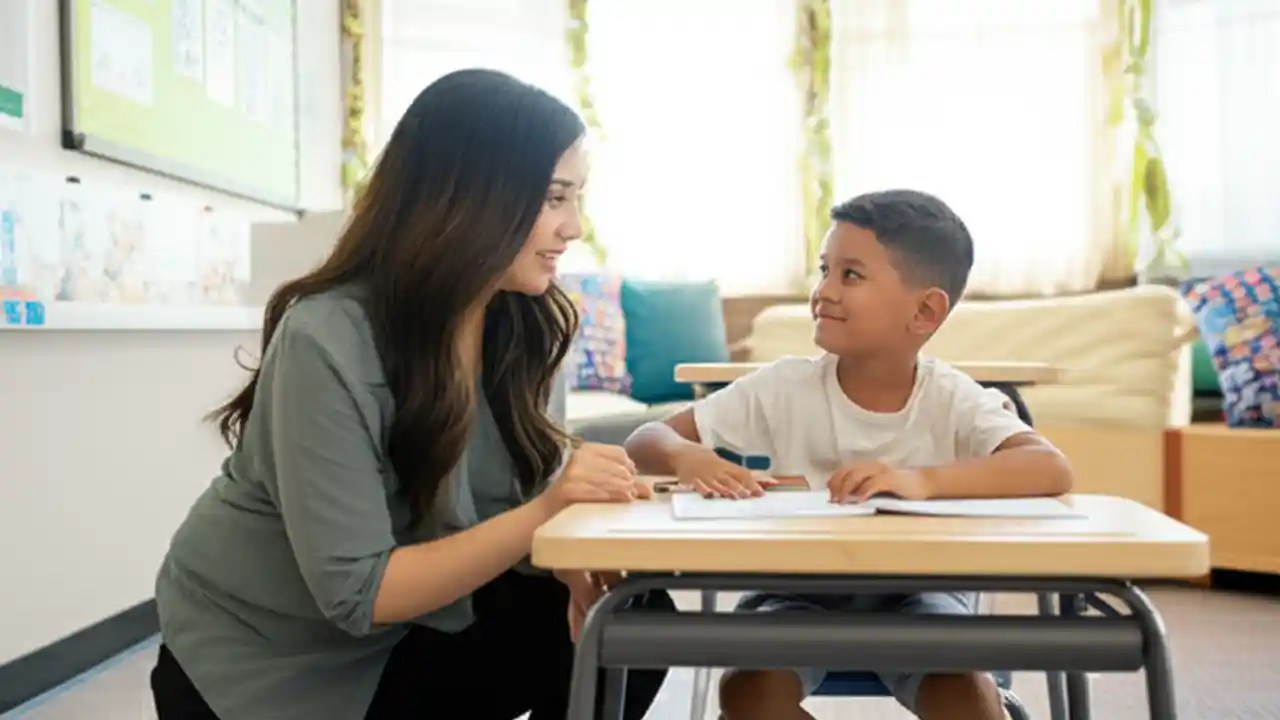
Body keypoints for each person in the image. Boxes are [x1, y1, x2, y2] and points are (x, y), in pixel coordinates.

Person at [149, 69, 669, 720]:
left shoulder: (522, 326)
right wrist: (545, 516)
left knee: (631, 621)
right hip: (268, 652)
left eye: (577, 198)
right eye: (554, 198)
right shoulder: (328, 337)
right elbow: (360, 593)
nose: (575, 227)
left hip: (421, 617)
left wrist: (566, 559)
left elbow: (509, 508)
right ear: (472, 196)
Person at [625, 189, 1074, 720]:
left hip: (922, 593)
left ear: (925, 310)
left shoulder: (953, 397)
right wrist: (685, 457)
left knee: (963, 693)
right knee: (748, 694)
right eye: (824, 270)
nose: (824, 292)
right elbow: (644, 439)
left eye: (851, 275)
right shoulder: (785, 385)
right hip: (792, 592)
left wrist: (920, 481)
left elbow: (1050, 466)